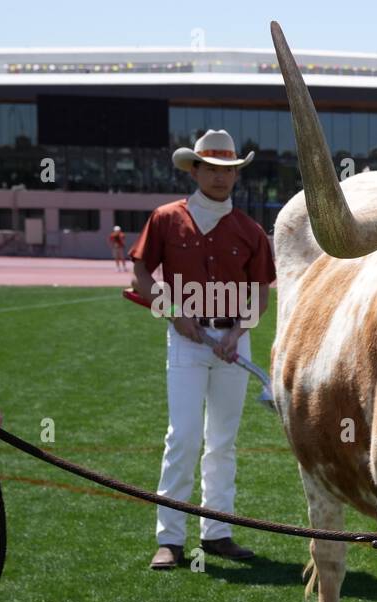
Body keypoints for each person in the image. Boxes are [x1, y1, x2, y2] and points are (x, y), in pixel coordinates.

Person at [130, 129, 275, 571]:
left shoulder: (250, 230)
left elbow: (261, 296)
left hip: (232, 343)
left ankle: (217, 531)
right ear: (194, 170)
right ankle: (170, 539)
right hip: (186, 344)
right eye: (211, 168)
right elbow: (141, 275)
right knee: (184, 436)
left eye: (227, 170)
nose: (219, 178)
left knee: (223, 442)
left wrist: (236, 334)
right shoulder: (166, 218)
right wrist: (173, 312)